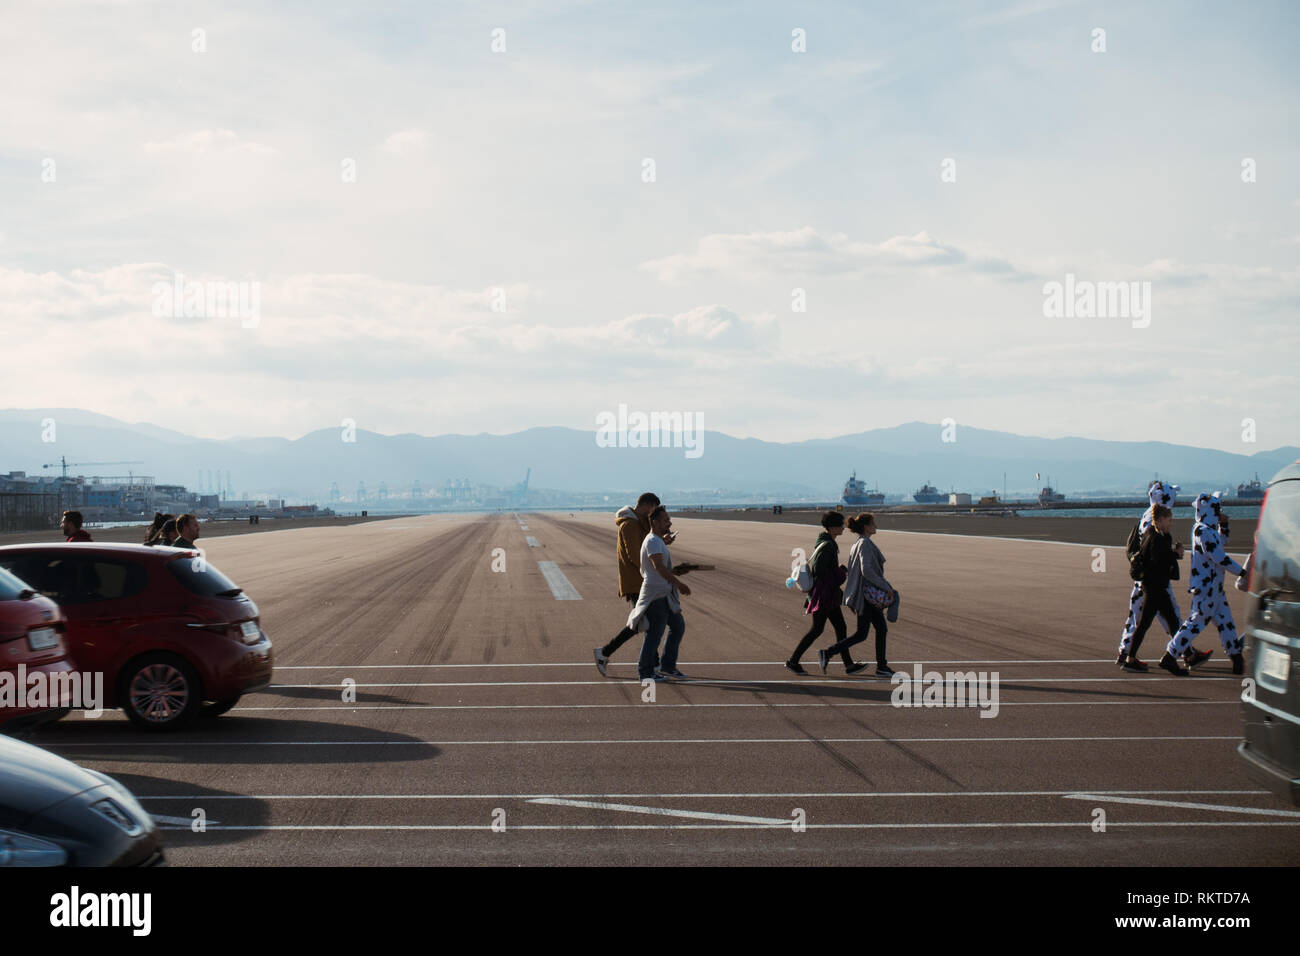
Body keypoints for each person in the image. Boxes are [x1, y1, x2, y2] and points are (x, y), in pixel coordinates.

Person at [1118, 481, 1210, 668]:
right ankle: (1186, 652)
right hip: (1154, 579)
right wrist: (1174, 555)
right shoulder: (1156, 521)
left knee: (1138, 618)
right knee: (1169, 616)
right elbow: (1155, 551)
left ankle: (1126, 653)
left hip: (1143, 578)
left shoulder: (1147, 514)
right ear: (1166, 497)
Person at [1163, 492, 1247, 675]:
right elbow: (1219, 558)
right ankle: (1170, 655)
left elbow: (1222, 541)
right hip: (1206, 589)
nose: (1219, 513)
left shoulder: (1207, 530)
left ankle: (1236, 658)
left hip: (1215, 589)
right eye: (1217, 510)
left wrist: (1224, 525)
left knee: (1226, 623)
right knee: (1195, 624)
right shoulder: (1202, 531)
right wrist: (1242, 572)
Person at [594, 493, 668, 676]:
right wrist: (654, 570)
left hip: (641, 580)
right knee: (641, 624)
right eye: (653, 509)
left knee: (646, 624)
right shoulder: (629, 525)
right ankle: (604, 652)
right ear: (646, 506)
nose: (653, 514)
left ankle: (655, 663)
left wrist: (663, 542)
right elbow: (635, 555)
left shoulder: (637, 523)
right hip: (637, 582)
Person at [787, 511, 861, 674]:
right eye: (840, 525)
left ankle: (848, 664)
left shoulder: (825, 542)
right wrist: (840, 572)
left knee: (833, 627)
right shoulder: (828, 545)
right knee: (821, 629)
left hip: (825, 595)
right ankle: (794, 661)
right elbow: (820, 569)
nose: (843, 527)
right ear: (833, 527)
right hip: (825, 595)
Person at [821, 513, 894, 677]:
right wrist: (886, 587)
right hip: (867, 596)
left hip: (863, 595)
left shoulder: (859, 543)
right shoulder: (865, 544)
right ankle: (881, 667)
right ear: (866, 526)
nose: (876, 526)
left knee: (867, 632)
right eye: (873, 523)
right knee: (875, 630)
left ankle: (829, 653)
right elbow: (866, 570)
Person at [625, 505, 691, 682]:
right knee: (654, 634)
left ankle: (668, 666)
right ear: (655, 522)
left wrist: (665, 542)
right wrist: (678, 584)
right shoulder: (653, 541)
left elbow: (661, 565)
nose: (669, 523)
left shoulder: (657, 540)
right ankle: (645, 672)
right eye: (666, 520)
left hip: (665, 594)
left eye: (669, 519)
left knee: (678, 627)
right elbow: (659, 567)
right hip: (656, 595)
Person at [1123, 505, 1183, 672]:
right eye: (1169, 520)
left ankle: (1131, 659)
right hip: (1156, 587)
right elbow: (1158, 561)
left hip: (1151, 586)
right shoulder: (1158, 538)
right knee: (1172, 623)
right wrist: (1176, 554)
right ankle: (1172, 658)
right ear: (1161, 520)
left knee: (1145, 624)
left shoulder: (1151, 533)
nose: (1170, 523)